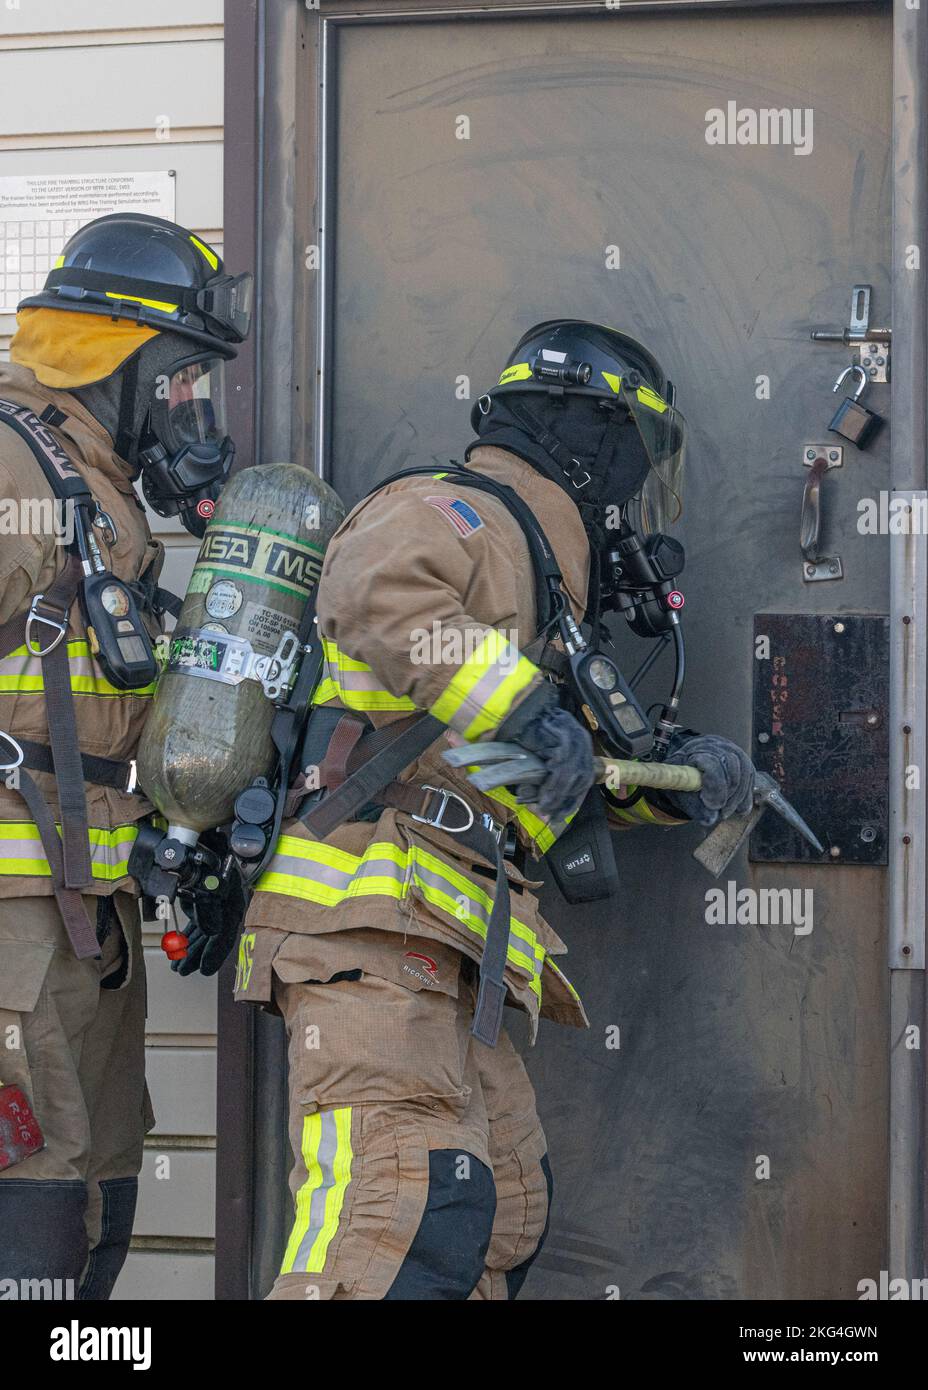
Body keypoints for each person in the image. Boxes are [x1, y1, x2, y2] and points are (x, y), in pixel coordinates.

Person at [233, 319, 754, 1300]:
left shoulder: (541, 586)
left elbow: (553, 779)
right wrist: (522, 707)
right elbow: (374, 593)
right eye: (634, 467)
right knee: (394, 1226)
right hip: (367, 935)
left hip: (446, 951)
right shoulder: (457, 512)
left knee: (497, 1214)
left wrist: (674, 780)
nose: (633, 506)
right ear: (594, 441)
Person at [0, 213, 251, 1297]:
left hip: (84, 908)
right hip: (13, 921)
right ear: (115, 356)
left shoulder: (87, 486)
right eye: (182, 378)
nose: (192, 408)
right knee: (30, 1201)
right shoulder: (13, 463)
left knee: (94, 1186)